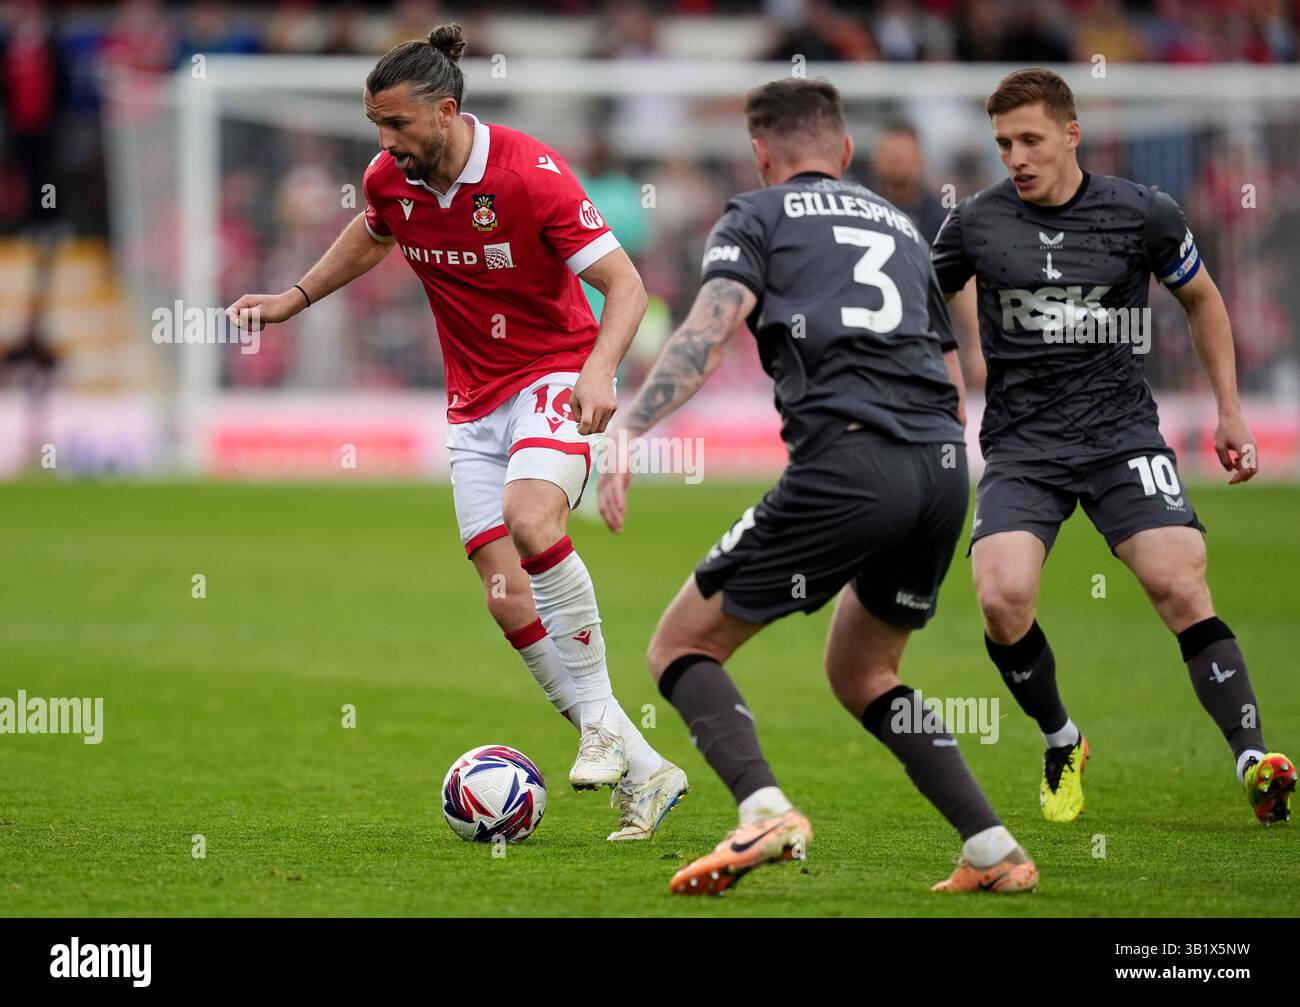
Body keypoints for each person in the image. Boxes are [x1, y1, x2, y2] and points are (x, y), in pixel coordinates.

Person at [226, 23, 687, 842]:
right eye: (376, 125)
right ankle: (649, 773)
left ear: (444, 110)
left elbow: (624, 285)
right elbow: (373, 230)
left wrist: (600, 371)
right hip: (473, 404)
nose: (384, 141)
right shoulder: (389, 177)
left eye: (397, 124)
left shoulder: (530, 173)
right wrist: (291, 299)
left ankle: (603, 729)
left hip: (553, 375)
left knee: (531, 518)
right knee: (507, 595)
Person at [598, 79, 1038, 895]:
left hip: (850, 463)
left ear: (761, 155)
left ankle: (763, 808)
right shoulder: (904, 227)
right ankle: (993, 848)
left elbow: (710, 324)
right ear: (843, 152)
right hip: (944, 469)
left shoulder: (755, 215)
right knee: (865, 673)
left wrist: (629, 425)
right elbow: (947, 367)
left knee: (680, 645)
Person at [931, 67, 1294, 825]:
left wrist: (1229, 411)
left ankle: (1255, 759)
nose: (1016, 157)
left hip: (1121, 434)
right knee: (1000, 597)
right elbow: (923, 300)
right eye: (1003, 144)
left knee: (1179, 582)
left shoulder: (1143, 213)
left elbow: (1203, 297)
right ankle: (1063, 737)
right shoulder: (973, 223)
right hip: (1023, 445)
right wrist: (941, 377)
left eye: (1030, 139)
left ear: (1071, 134)